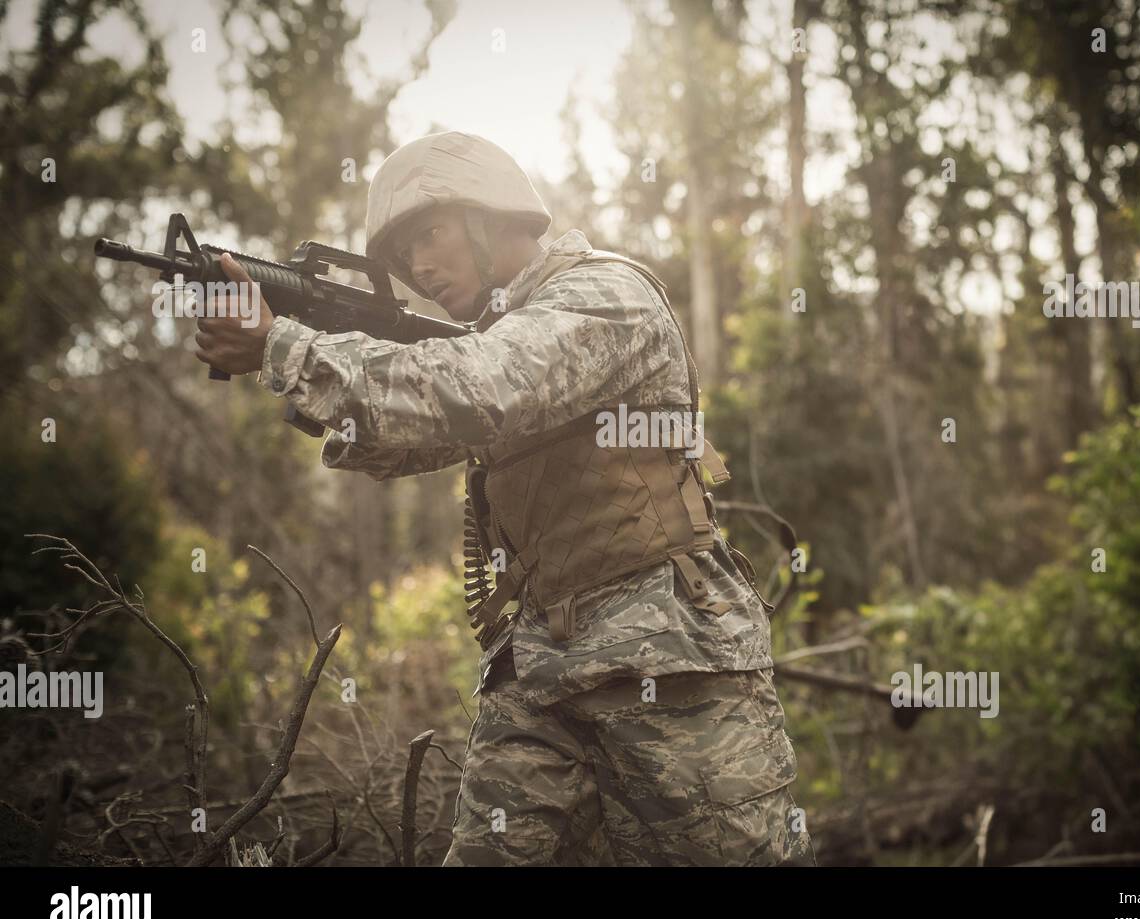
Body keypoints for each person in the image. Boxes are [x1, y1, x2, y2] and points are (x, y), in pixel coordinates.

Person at [193, 131, 815, 866]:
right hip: (542, 666)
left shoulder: (605, 295)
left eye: (429, 234)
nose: (418, 266)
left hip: (669, 658)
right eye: (399, 258)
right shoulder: (497, 334)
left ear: (495, 216)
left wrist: (285, 348)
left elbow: (479, 391)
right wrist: (297, 359)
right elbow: (405, 443)